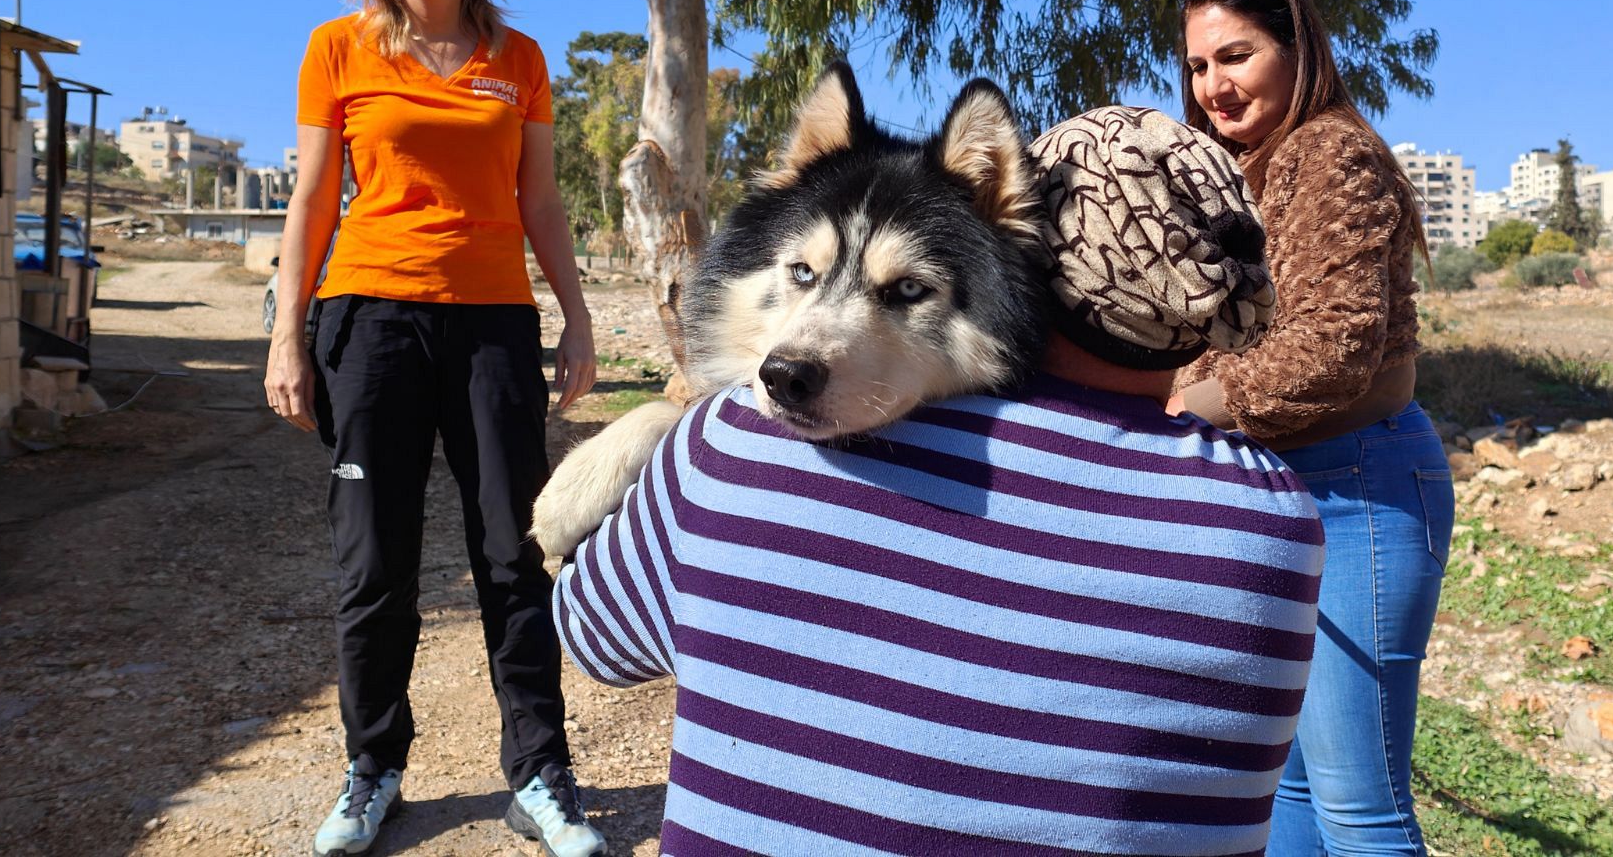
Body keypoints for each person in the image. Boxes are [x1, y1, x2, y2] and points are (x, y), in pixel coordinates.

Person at [553, 107, 1323, 855]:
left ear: (1032, 264)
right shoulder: (1275, 523)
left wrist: (666, 429)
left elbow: (590, 636)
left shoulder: (734, 447)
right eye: (803, 274)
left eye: (906, 290)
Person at [262, 0, 606, 857]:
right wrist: (289, 336)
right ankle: (373, 769)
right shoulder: (337, 49)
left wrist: (576, 318)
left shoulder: (521, 59)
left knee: (516, 554)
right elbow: (315, 202)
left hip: (493, 323)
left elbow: (539, 199)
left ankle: (540, 776)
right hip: (369, 322)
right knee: (376, 565)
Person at [1167, 0, 1456, 856]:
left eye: (1236, 55)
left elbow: (1332, 351)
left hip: (1356, 483)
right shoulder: (1241, 170)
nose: (1213, 84)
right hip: (1286, 489)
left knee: (1359, 805)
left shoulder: (1328, 153)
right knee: (1284, 787)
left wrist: (1183, 408)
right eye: (1198, 65)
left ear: (1298, 49)